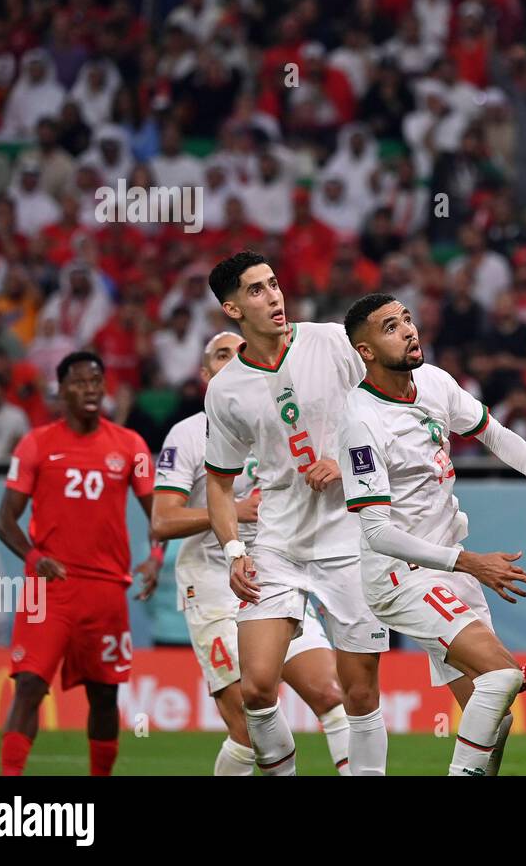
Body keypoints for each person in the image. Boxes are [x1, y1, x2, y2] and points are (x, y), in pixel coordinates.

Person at [338, 293, 526, 775]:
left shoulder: (434, 381)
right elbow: (377, 532)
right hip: (402, 576)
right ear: (365, 351)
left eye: (408, 318)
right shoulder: (361, 422)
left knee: (495, 715)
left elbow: (493, 433)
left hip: (449, 566)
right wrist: (470, 562)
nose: (409, 330)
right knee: (504, 673)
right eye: (391, 326)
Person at [203, 252, 389, 776]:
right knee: (257, 687)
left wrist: (350, 464)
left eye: (275, 284)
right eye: (257, 291)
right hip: (278, 545)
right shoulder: (225, 389)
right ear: (233, 309)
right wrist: (235, 549)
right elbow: (219, 486)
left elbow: (392, 406)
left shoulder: (332, 342)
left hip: (349, 541)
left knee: (359, 689)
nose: (275, 297)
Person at [153, 331, 355, 776]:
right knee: (247, 726)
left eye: (237, 353)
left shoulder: (282, 415)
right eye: (220, 356)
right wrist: (234, 513)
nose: (232, 361)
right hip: (211, 580)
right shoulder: (188, 434)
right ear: (206, 376)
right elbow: (162, 520)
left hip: (272, 571)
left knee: (330, 694)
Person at [0, 351, 158, 776]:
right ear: (61, 390)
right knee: (29, 685)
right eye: (81, 382)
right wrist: (34, 557)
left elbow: (159, 514)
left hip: (105, 591)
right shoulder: (36, 443)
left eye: (96, 381)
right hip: (47, 588)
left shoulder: (130, 445)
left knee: (105, 696)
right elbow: (4, 520)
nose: (91, 389)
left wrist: (156, 556)